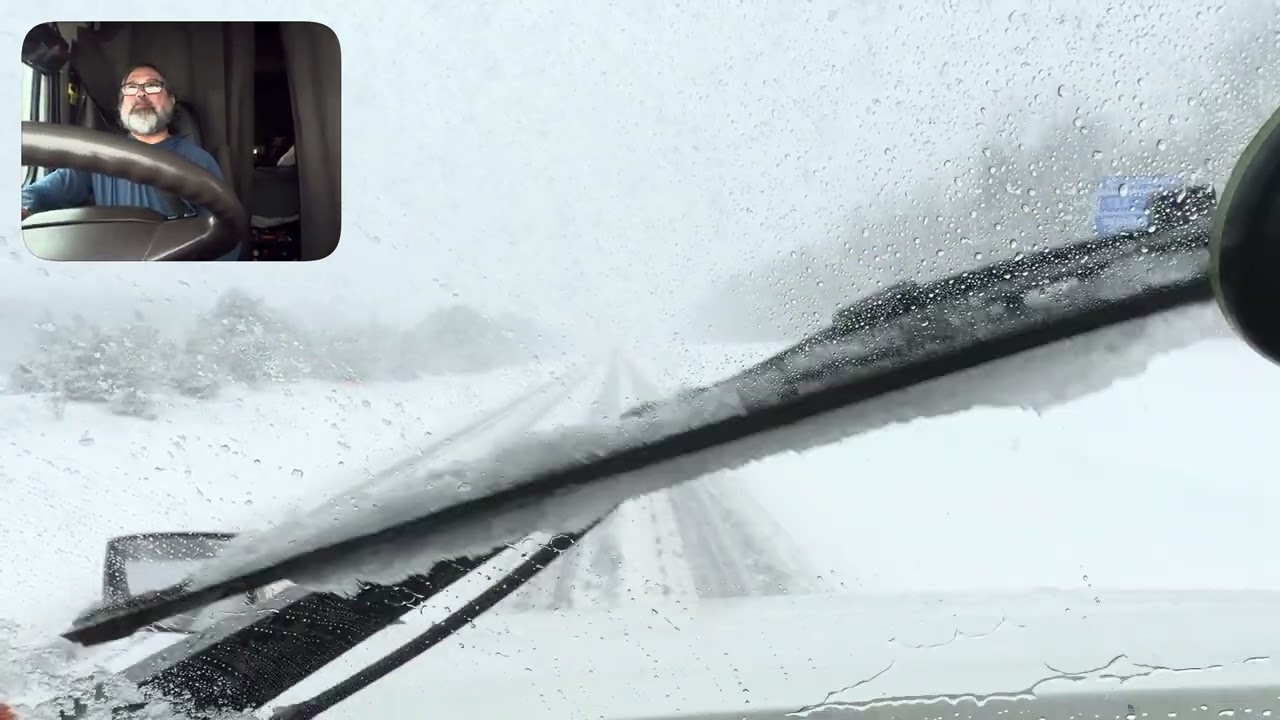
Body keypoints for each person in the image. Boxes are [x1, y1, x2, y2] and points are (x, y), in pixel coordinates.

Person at [21, 63, 241, 261]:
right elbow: (39, 194)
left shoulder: (198, 160)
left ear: (171, 101)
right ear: (120, 105)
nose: (141, 94)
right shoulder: (97, 156)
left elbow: (227, 241)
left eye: (153, 86)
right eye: (131, 88)